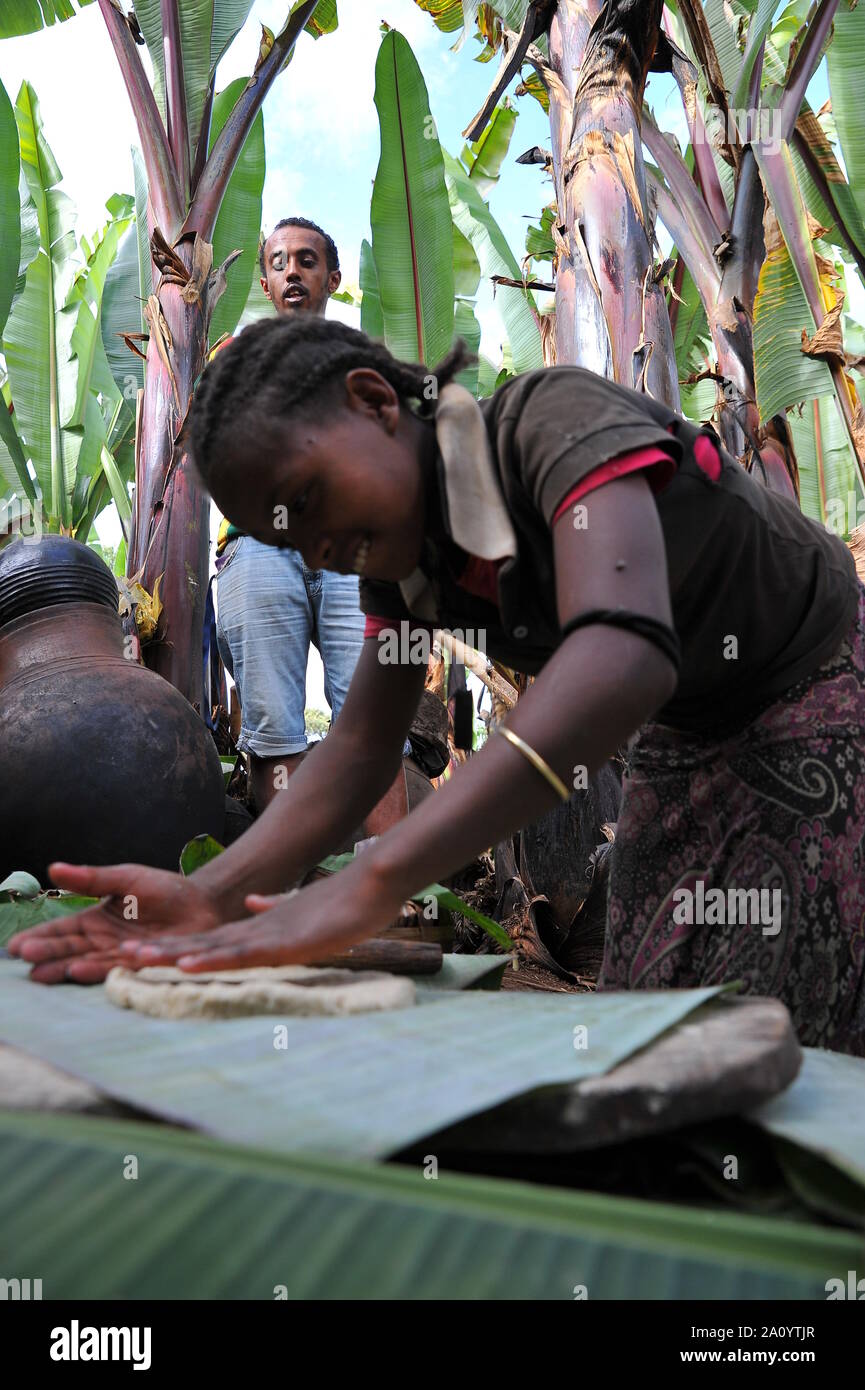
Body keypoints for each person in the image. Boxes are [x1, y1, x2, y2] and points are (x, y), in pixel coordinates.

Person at [11, 319, 865, 1056]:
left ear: (375, 402)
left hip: (818, 687)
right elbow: (355, 750)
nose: (314, 551)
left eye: (305, 499)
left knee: (787, 1015)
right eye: (283, 535)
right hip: (685, 736)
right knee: (646, 1014)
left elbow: (623, 654)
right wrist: (208, 896)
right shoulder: (406, 575)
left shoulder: (549, 420)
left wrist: (375, 881)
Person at [214, 217, 407, 830]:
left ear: (333, 277)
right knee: (274, 732)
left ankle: (395, 900)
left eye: (306, 260)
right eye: (278, 262)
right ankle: (292, 895)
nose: (292, 271)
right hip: (260, 550)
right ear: (266, 282)